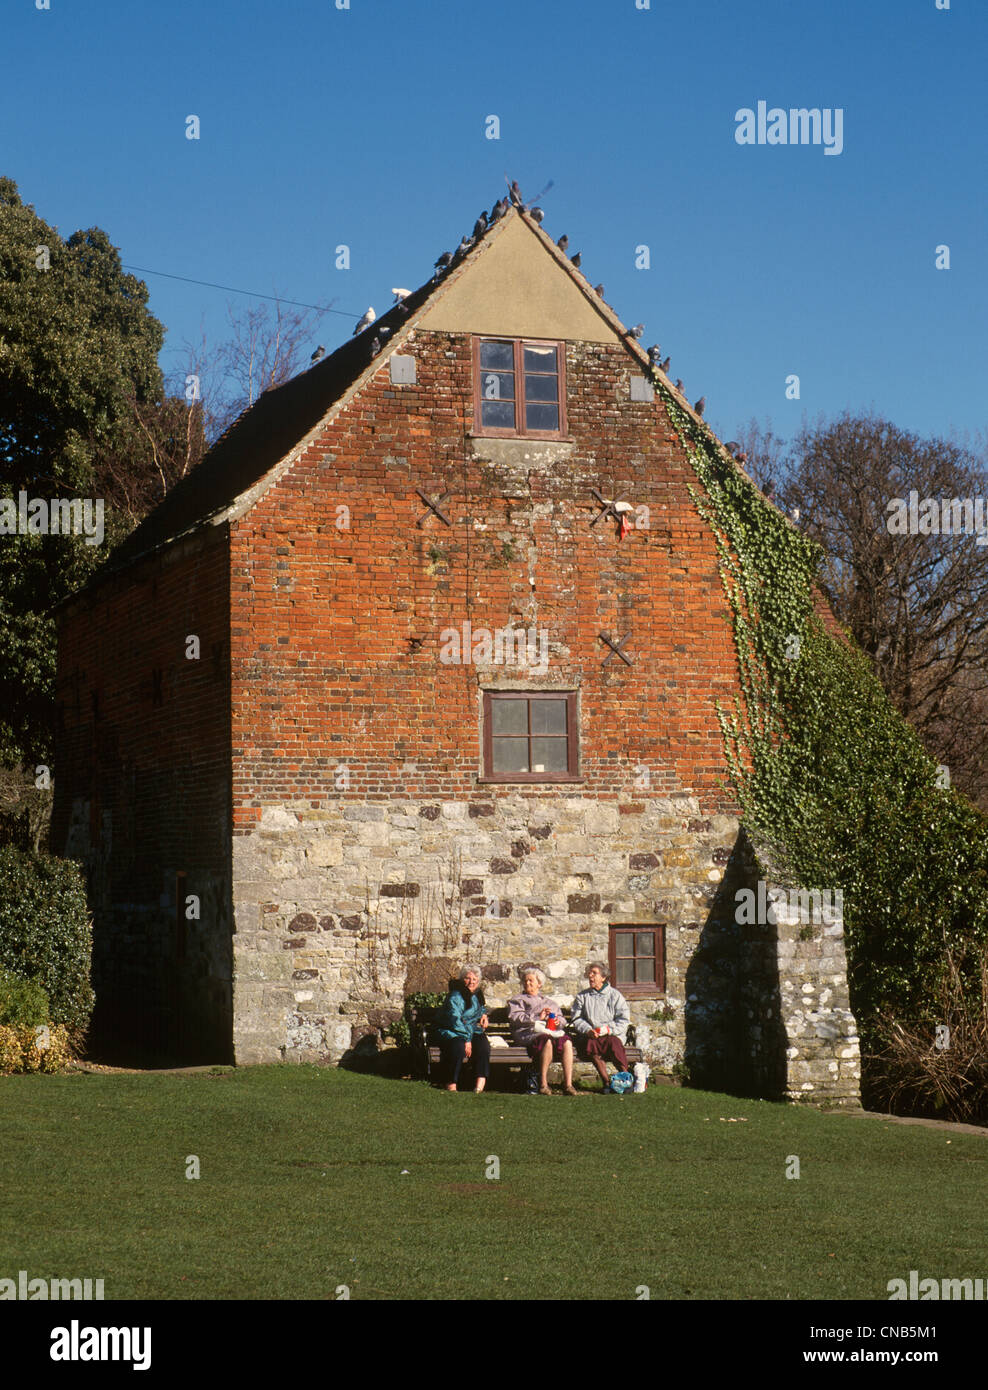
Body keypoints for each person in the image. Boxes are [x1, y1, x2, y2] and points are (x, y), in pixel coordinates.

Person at [507, 965, 577, 1096]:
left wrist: (557, 1021)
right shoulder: (518, 1000)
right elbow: (515, 1017)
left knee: (567, 1042)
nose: (527, 983)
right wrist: (537, 1017)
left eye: (530, 980)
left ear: (539, 984)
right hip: (528, 1034)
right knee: (547, 1041)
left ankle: (568, 1085)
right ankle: (544, 1084)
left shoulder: (549, 1003)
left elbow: (562, 1021)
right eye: (525, 980)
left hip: (549, 1032)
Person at [570, 962, 631, 1089]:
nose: (590, 976)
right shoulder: (583, 996)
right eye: (589, 973)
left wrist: (608, 1029)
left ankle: (626, 1079)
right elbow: (577, 1018)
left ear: (603, 977)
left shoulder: (615, 995)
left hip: (611, 1034)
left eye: (594, 973)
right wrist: (588, 1030)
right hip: (592, 1035)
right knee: (591, 1045)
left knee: (614, 1044)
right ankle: (606, 1082)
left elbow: (623, 1019)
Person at [434, 965, 490, 1092]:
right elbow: (454, 1019)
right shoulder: (455, 996)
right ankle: (451, 1083)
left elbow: (480, 1008)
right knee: (458, 1047)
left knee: (483, 1046)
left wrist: (484, 1015)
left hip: (470, 1030)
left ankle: (479, 1084)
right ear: (462, 980)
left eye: (475, 979)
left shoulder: (477, 995)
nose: (471, 982)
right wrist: (467, 1039)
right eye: (467, 978)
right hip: (452, 1031)